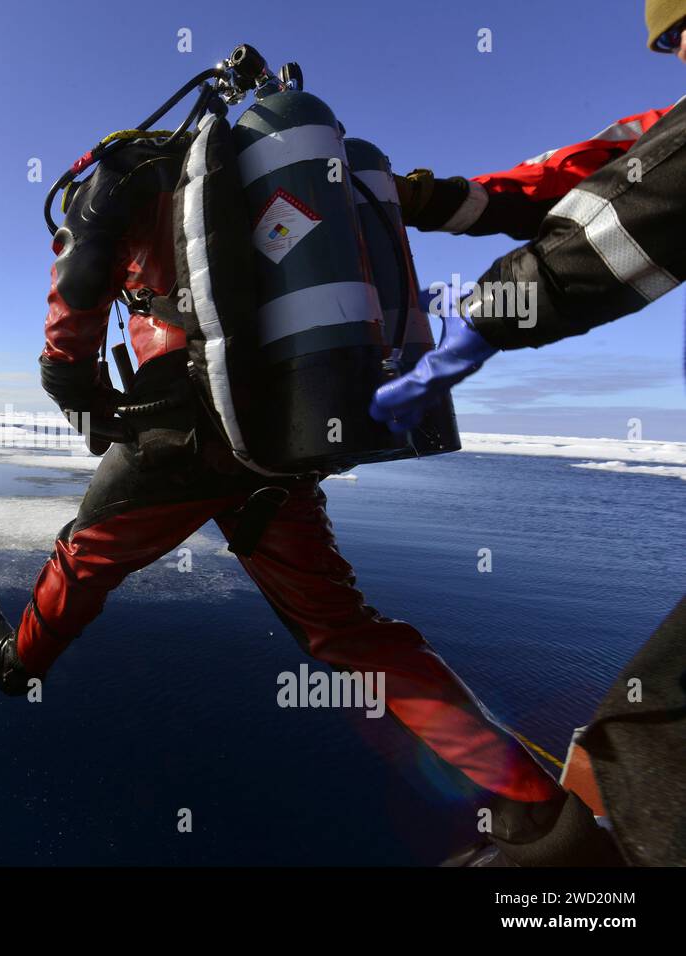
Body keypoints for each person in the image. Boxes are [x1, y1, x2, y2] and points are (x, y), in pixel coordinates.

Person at [0, 119, 620, 865]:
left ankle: (19, 662)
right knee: (344, 628)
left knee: (84, 560)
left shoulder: (124, 173)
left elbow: (78, 284)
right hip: (282, 428)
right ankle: (538, 815)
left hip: (179, 429)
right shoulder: (273, 177)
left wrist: (74, 386)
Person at [371, 0, 686, 865]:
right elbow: (575, 178)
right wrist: (412, 198)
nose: (682, 49)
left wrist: (472, 330)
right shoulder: (660, 128)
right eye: (670, 40)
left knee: (655, 719)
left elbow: (622, 224)